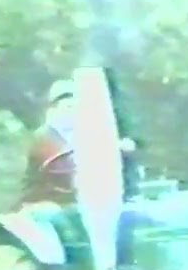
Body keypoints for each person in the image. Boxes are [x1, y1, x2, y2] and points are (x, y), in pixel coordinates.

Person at [19, 77, 139, 209]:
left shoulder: (95, 131)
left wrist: (122, 148)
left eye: (76, 104)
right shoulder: (44, 137)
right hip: (50, 200)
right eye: (67, 104)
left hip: (92, 201)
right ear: (54, 107)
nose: (71, 109)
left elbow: (113, 161)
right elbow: (56, 169)